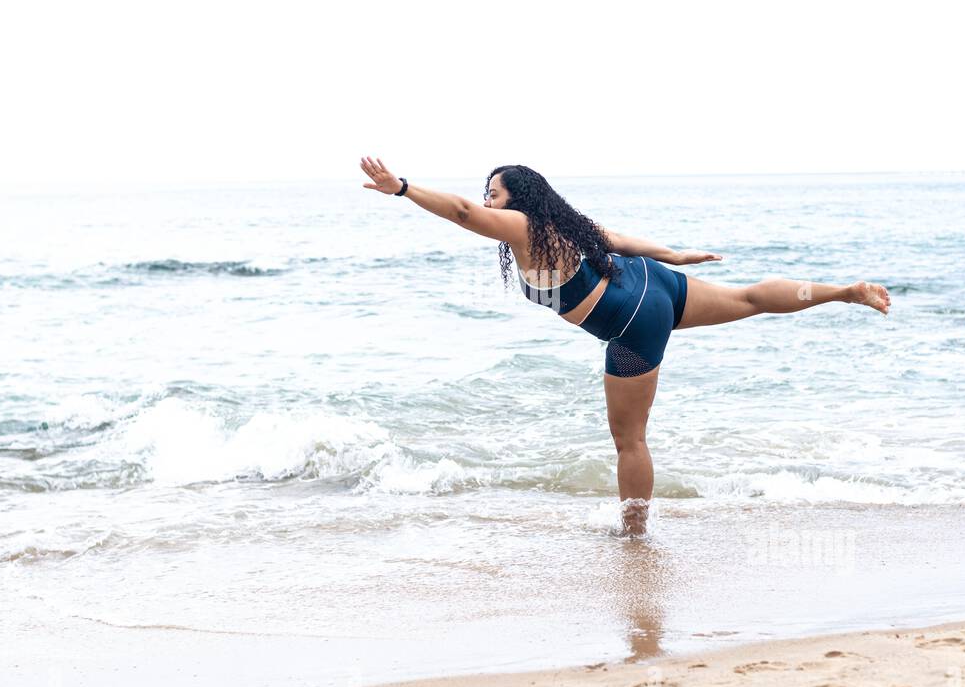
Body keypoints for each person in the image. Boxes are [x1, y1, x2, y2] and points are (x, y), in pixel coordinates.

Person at [359, 157, 891, 535]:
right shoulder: (562, 224)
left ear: (515, 201)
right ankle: (844, 292)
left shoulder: (523, 228)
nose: (486, 203)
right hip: (655, 285)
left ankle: (634, 532)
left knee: (630, 440)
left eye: (493, 194)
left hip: (632, 325)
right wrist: (676, 256)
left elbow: (460, 213)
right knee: (749, 298)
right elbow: (621, 242)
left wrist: (402, 188)